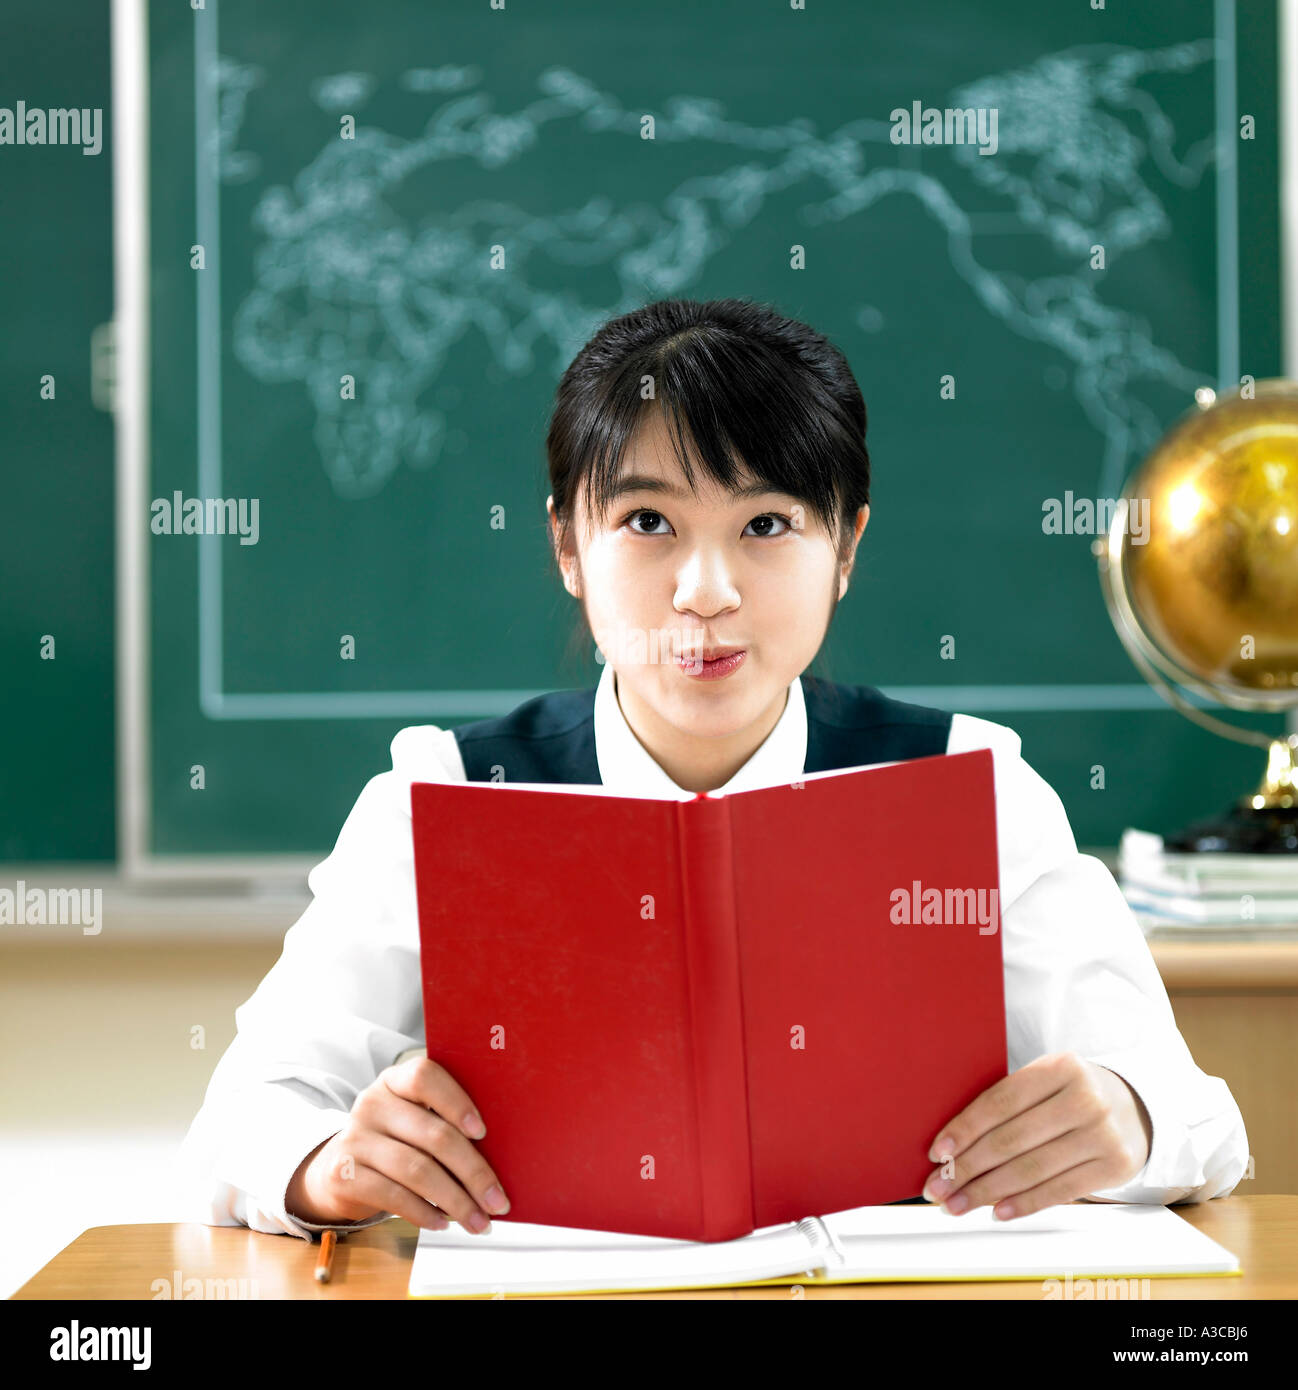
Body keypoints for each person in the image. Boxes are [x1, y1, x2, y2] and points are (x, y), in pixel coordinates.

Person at [177, 297, 1249, 1242]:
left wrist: (1131, 1117)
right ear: (565, 545)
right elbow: (240, 1122)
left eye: (766, 524)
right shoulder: (439, 794)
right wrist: (330, 1167)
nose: (703, 589)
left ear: (846, 549)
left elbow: (1202, 1122)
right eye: (647, 521)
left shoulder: (971, 785)